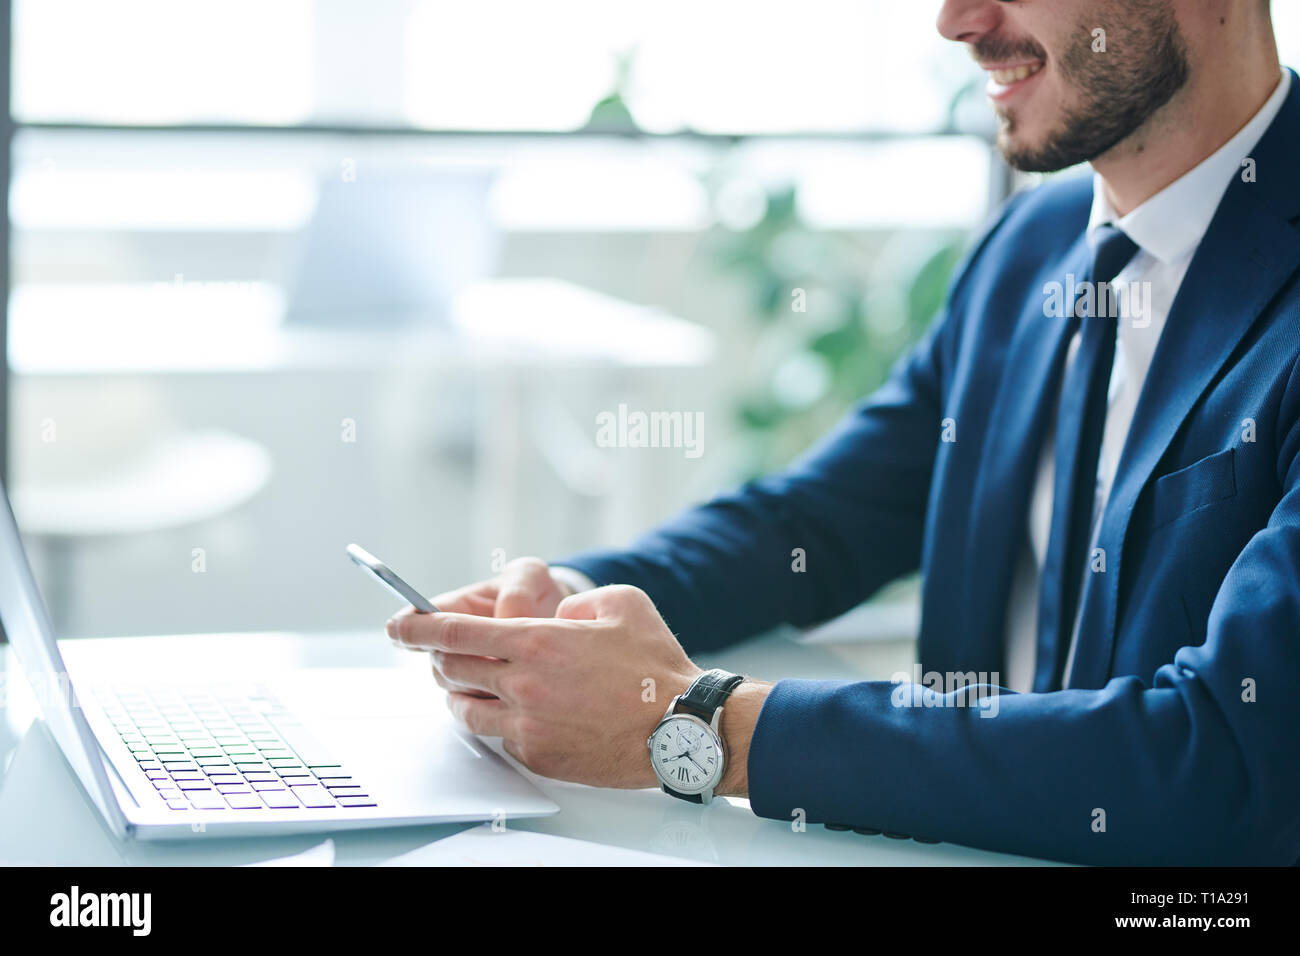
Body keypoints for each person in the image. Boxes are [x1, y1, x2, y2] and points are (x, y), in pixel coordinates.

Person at [387, 0, 1299, 864]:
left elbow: (1224, 756)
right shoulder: (1031, 250)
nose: (957, 22)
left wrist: (696, 722)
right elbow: (823, 519)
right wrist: (568, 604)